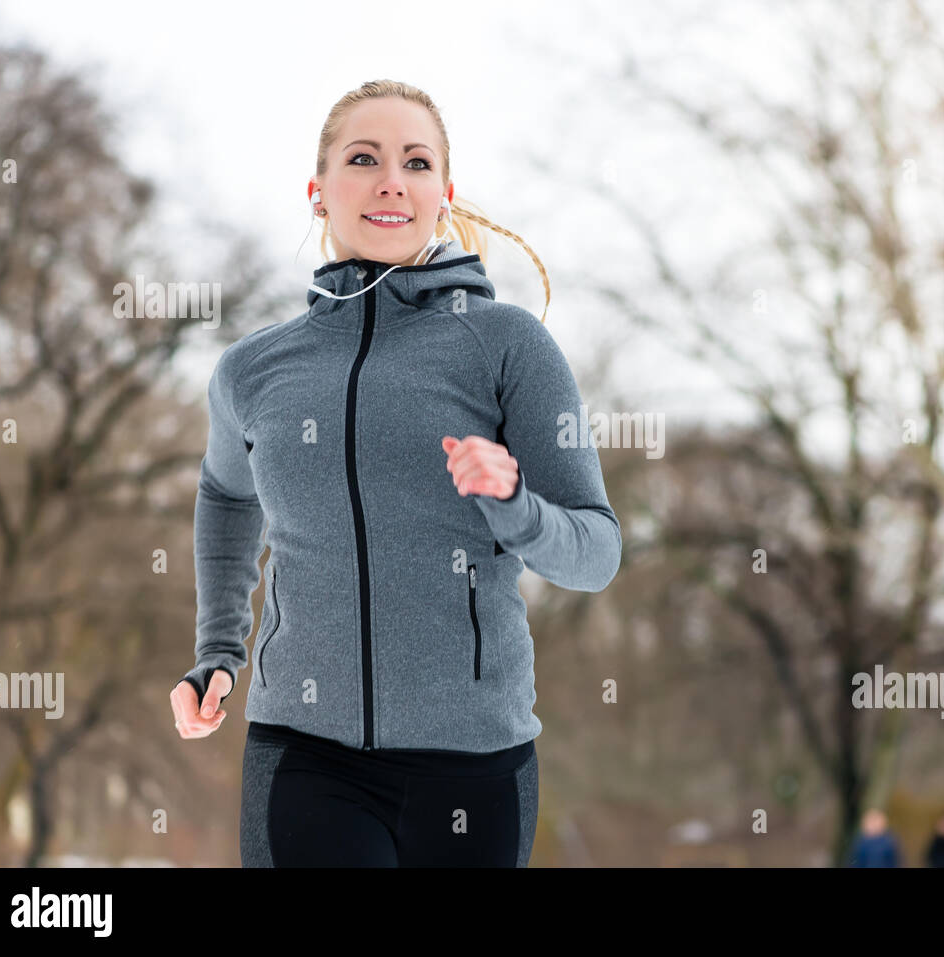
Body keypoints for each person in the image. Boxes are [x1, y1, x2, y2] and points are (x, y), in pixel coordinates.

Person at [167, 79, 622, 867]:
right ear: (318, 193)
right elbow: (224, 493)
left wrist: (516, 505)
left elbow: (596, 550)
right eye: (363, 158)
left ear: (443, 194)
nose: (391, 181)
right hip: (305, 754)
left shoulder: (506, 346)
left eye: (415, 163)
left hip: (475, 764)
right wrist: (218, 650)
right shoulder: (255, 368)